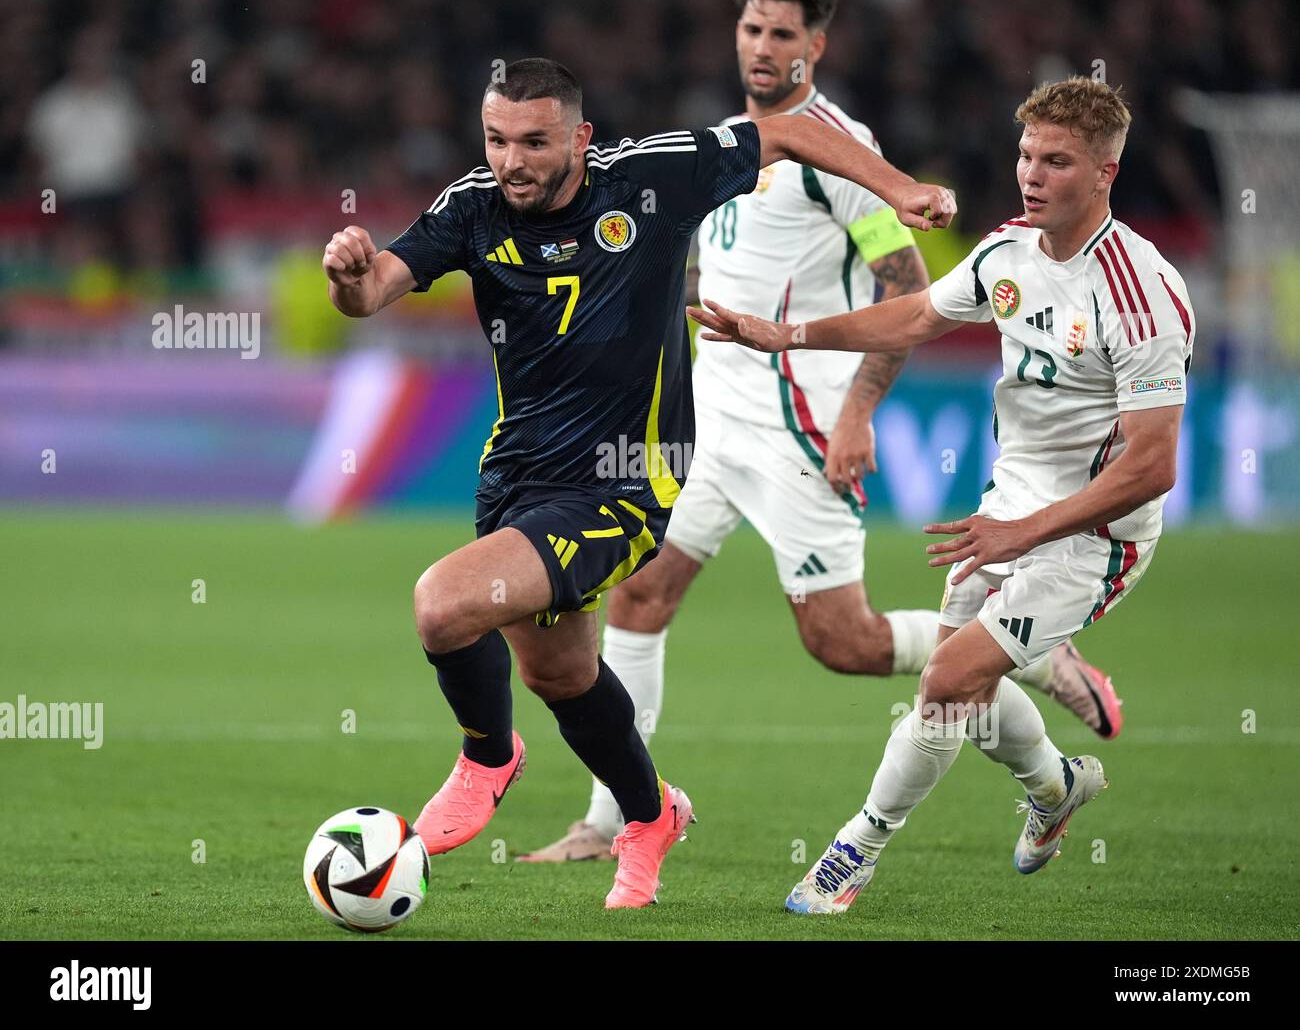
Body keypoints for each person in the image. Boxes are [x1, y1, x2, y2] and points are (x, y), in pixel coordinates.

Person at [322, 57, 956, 908]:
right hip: (517, 477)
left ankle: (485, 757)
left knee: (443, 604)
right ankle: (651, 813)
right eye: (497, 139)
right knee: (561, 677)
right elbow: (374, 295)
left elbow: (789, 132)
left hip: (626, 483)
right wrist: (350, 279)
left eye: (535, 142)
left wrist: (895, 187)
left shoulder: (652, 176)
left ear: (580, 138)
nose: (511, 160)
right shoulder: (472, 208)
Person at [522, 0, 1118, 865]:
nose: (762, 46)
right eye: (751, 28)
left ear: (817, 44)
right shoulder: (732, 139)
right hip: (704, 423)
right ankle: (611, 820)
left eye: (781, 33)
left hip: (797, 431)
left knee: (842, 642)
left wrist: (856, 415)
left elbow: (906, 286)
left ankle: (1029, 657)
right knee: (639, 595)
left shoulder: (840, 153)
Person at [689, 75, 1193, 914]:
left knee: (950, 677)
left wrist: (1024, 532)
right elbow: (916, 315)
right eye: (1027, 154)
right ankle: (1055, 786)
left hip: (1095, 535)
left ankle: (853, 854)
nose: (1032, 174)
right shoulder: (1007, 253)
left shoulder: (1139, 294)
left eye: (1056, 161)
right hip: (1008, 511)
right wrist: (792, 334)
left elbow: (1151, 466)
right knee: (969, 687)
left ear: (1105, 172)